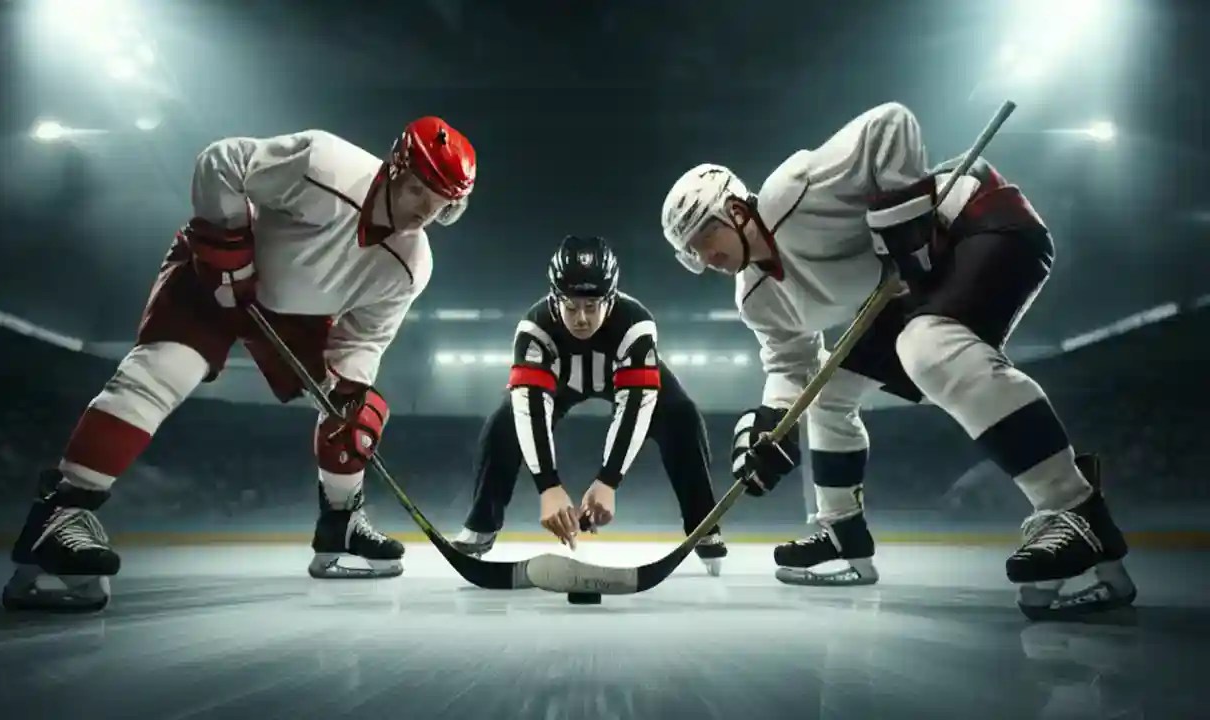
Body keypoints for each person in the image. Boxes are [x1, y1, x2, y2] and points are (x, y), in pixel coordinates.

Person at [659, 101, 1135, 619]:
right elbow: (791, 367)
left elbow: (890, 123)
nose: (705, 258)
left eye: (704, 237)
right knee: (829, 394)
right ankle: (843, 532)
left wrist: (905, 225)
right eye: (693, 252)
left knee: (926, 348)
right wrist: (768, 426)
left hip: (976, 220)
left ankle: (1074, 510)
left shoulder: (792, 192)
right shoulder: (754, 296)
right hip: (909, 285)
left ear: (735, 210)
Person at [2, 117, 477, 612]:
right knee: (166, 371)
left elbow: (365, 339)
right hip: (217, 273)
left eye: (441, 200)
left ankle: (342, 522)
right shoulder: (323, 164)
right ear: (397, 168)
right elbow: (222, 161)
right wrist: (227, 247)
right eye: (421, 189)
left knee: (356, 414)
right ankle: (62, 512)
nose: (426, 209)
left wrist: (348, 394)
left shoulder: (411, 265)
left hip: (290, 317)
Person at [450, 235, 728, 574]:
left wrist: (609, 481)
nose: (581, 318)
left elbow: (635, 407)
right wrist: (548, 486)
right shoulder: (534, 329)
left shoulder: (636, 325)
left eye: (592, 306)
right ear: (555, 300)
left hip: (623, 379)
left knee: (683, 417)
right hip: (560, 383)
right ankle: (481, 525)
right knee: (502, 425)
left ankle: (703, 526)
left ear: (610, 300)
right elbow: (530, 410)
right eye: (571, 307)